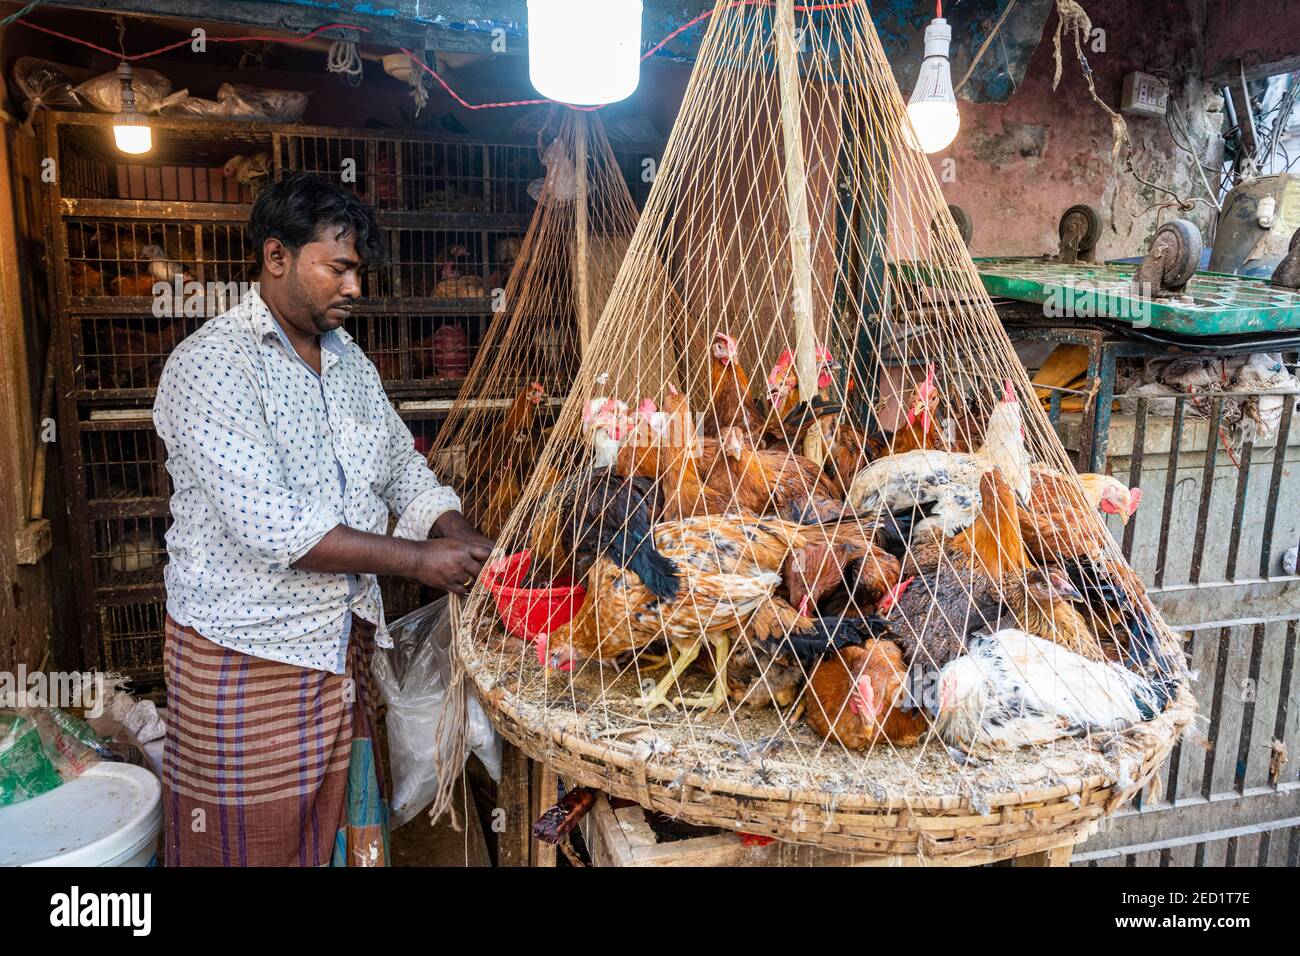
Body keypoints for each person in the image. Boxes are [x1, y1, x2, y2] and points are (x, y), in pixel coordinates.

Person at [152, 172, 492, 866]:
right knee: (248, 845)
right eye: (337, 268)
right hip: (247, 653)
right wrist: (422, 563)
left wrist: (450, 528)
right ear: (277, 257)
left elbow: (400, 463)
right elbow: (276, 526)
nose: (354, 288)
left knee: (339, 831)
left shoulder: (348, 363)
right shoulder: (212, 365)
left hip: (337, 650)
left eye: (357, 271)